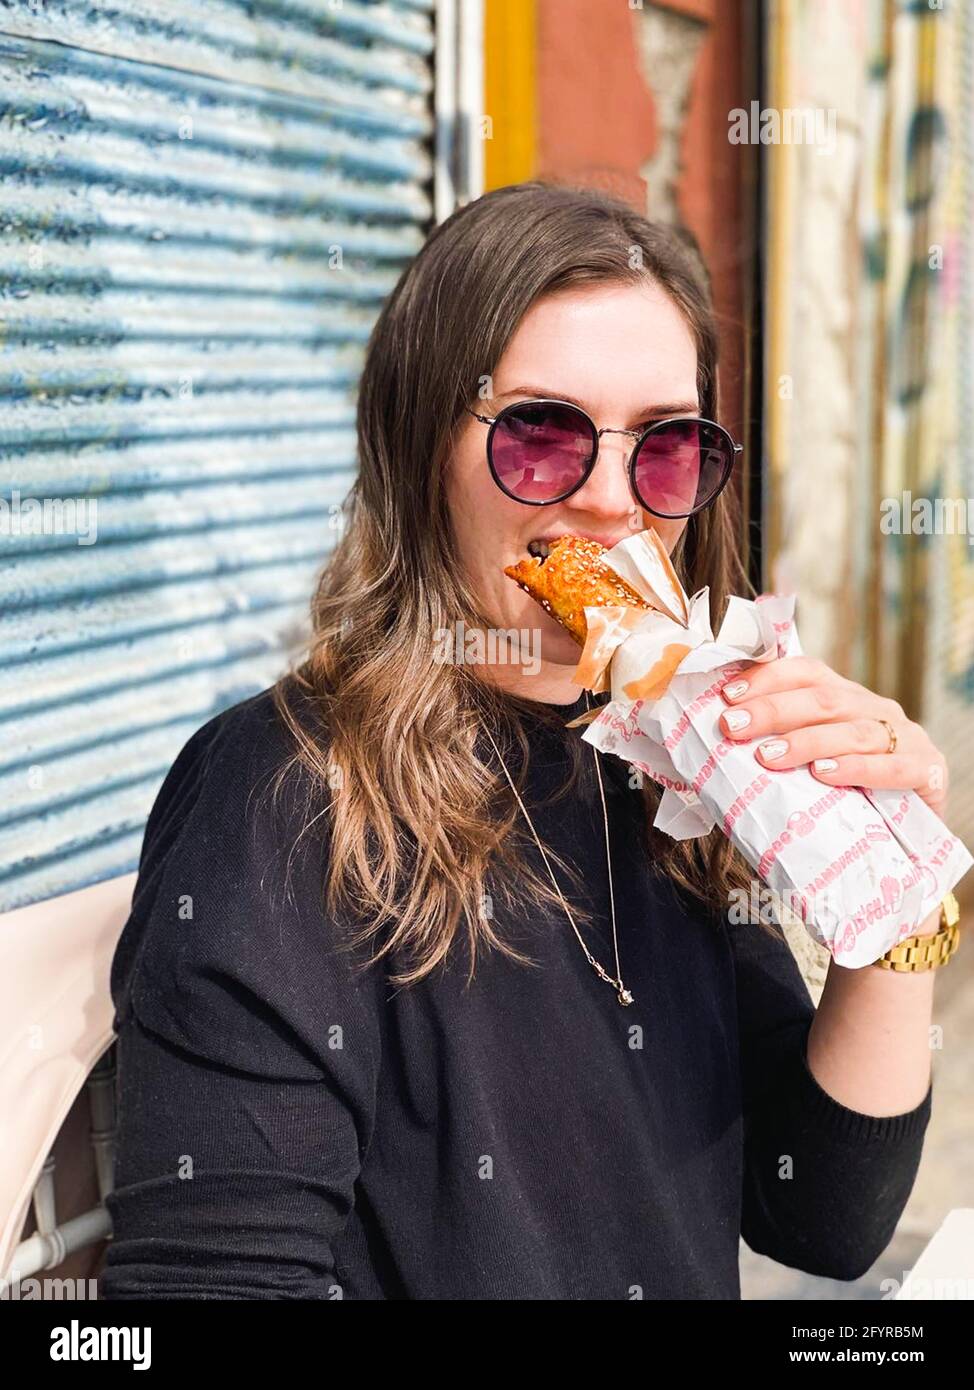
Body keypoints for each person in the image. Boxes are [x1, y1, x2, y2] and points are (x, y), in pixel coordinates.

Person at [99, 182, 945, 1301]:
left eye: (663, 445)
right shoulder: (286, 795)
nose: (608, 500)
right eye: (540, 436)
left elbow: (817, 1215)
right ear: (417, 451)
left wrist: (893, 891)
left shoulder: (663, 768)